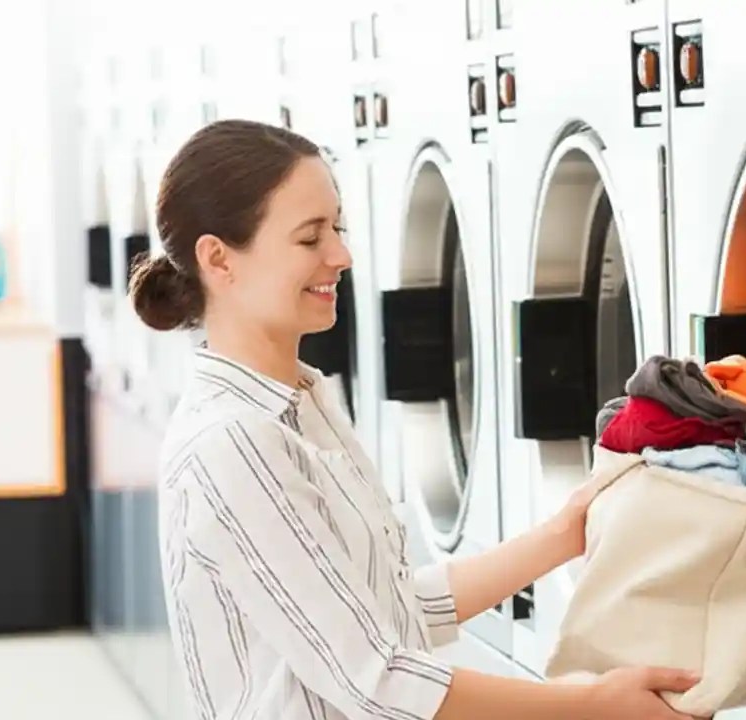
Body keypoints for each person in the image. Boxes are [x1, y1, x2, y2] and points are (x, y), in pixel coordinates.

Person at [128, 119, 704, 720]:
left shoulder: (303, 401)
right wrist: (592, 706)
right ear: (219, 259)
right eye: (310, 238)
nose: (341, 255)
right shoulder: (235, 443)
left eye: (339, 227)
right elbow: (376, 680)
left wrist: (564, 534)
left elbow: (391, 608)